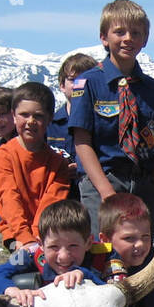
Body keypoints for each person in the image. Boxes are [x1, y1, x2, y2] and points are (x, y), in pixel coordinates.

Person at [67, 0, 154, 230]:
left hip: (142, 183)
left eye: (136, 33)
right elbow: (82, 142)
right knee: (104, 250)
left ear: (145, 39)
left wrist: (152, 183)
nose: (128, 39)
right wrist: (106, 191)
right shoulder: (87, 83)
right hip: (102, 180)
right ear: (104, 37)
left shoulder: (153, 89)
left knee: (139, 253)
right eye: (119, 32)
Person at [0, 82, 72, 252]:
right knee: (16, 276)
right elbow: (9, 198)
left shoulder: (58, 164)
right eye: (24, 115)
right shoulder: (3, 157)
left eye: (38, 116)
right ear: (14, 115)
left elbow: (51, 203)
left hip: (47, 235)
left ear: (49, 119)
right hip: (15, 235)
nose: (31, 122)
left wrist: (37, 239)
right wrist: (24, 239)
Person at [0, 200, 104, 307]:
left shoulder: (103, 254)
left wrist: (85, 275)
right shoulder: (31, 254)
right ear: (40, 244)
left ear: (88, 243)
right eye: (53, 247)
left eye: (73, 246)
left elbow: (119, 290)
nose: (63, 256)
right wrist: (14, 291)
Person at [50, 53, 98, 200]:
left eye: (84, 79)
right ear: (62, 85)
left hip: (94, 197)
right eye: (73, 79)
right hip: (58, 200)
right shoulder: (49, 125)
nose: (79, 84)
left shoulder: (103, 125)